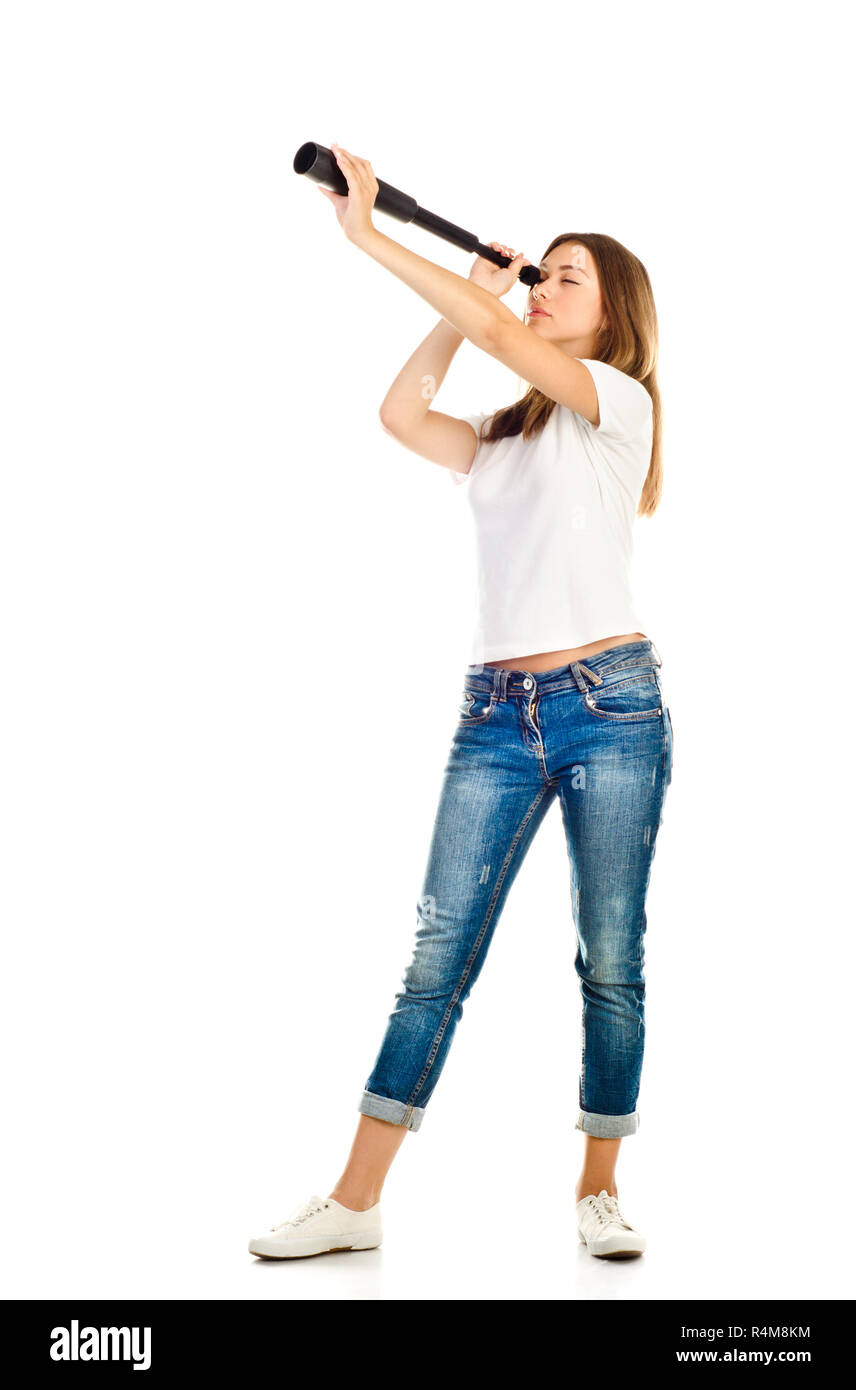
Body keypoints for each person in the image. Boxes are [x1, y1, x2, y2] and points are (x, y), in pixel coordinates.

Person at [248, 145, 673, 1262]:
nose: (546, 285)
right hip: (495, 717)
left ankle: (599, 1188)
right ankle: (354, 1200)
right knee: (439, 955)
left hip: (612, 706)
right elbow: (401, 411)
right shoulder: (502, 437)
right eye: (548, 274)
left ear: (613, 308)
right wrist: (473, 300)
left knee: (610, 952)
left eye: (568, 275)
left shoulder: (615, 403)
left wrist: (372, 237)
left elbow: (506, 345)